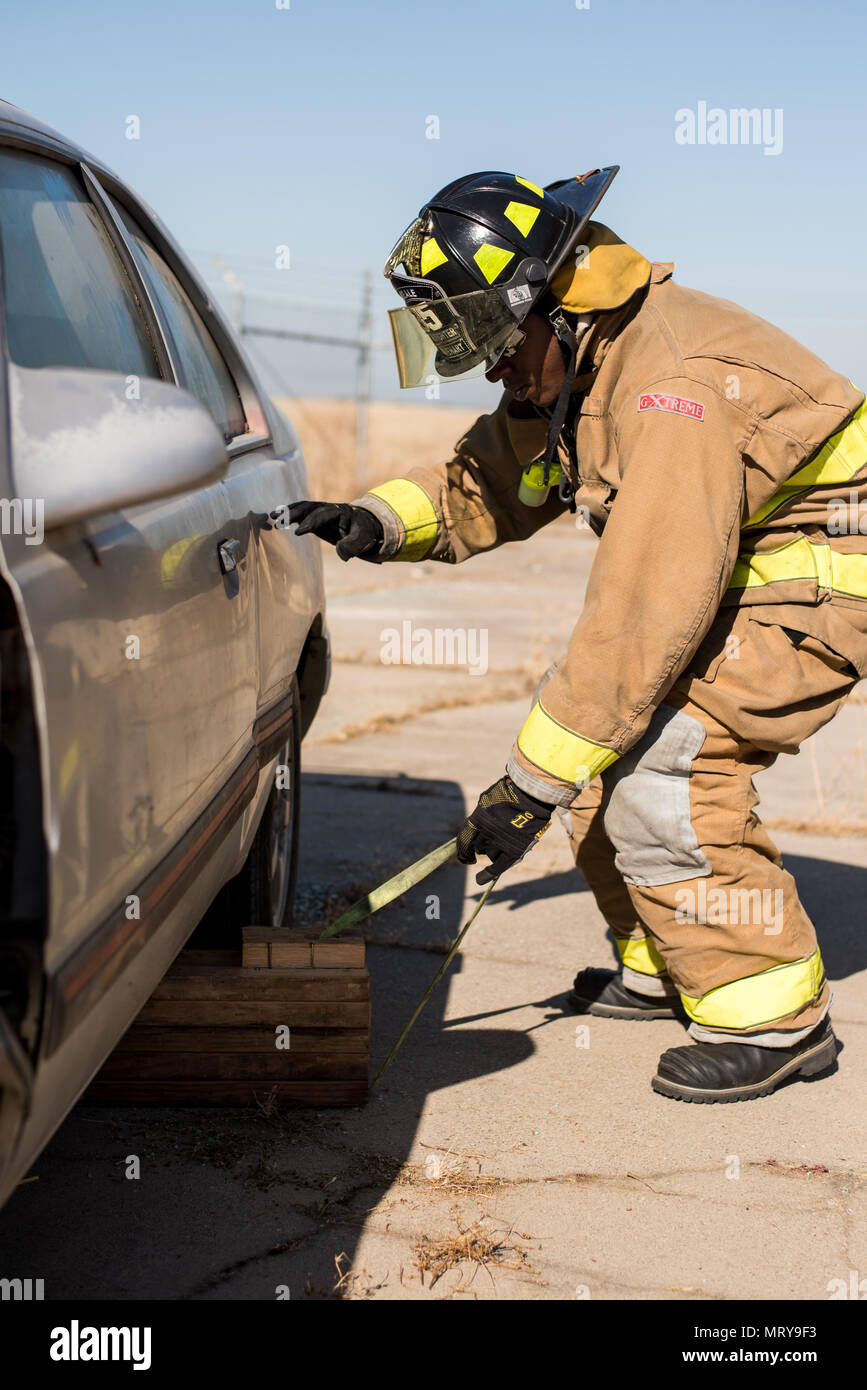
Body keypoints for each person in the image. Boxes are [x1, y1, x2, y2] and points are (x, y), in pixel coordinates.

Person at [276, 168, 867, 1103]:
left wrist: (529, 782)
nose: (489, 369)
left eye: (496, 344)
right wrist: (377, 522)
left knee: (669, 757)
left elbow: (645, 606)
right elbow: (492, 481)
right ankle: (664, 963)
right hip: (732, 566)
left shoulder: (667, 387)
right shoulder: (582, 364)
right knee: (608, 743)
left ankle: (771, 1014)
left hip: (819, 580)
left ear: (551, 305)